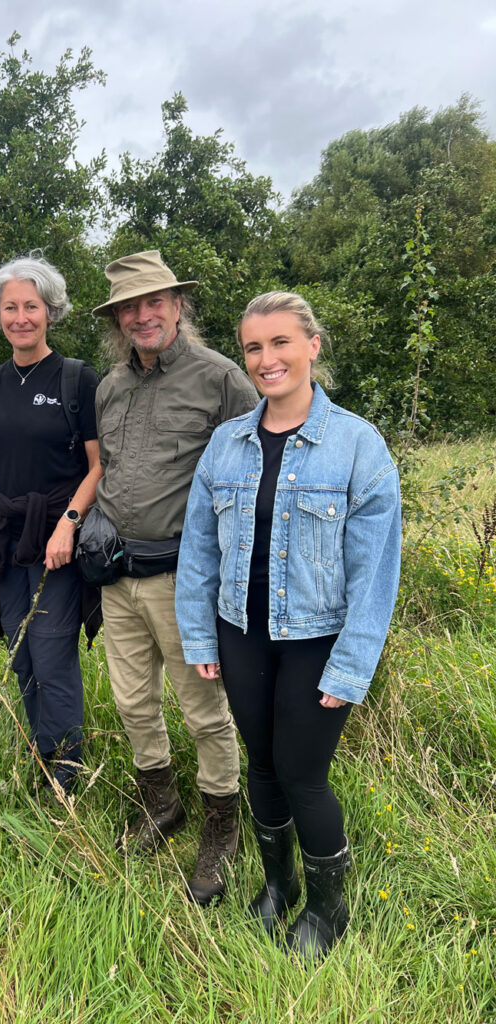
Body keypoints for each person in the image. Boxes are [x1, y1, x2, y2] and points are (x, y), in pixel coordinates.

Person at [176, 291, 402, 957]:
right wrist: (199, 633)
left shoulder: (358, 446)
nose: (267, 359)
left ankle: (328, 910)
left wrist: (353, 664)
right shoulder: (226, 445)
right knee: (263, 768)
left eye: (280, 343)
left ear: (312, 346)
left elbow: (375, 571)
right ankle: (279, 886)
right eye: (253, 347)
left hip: (318, 640)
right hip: (240, 634)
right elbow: (199, 549)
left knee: (303, 774)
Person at [91, 250, 257, 904]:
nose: (142, 315)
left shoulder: (221, 381)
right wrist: (94, 517)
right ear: (118, 321)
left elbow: (252, 477)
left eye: (152, 301)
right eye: (129, 307)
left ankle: (222, 821)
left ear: (177, 304)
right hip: (116, 577)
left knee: (203, 710)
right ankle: (161, 804)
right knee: (132, 702)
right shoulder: (109, 387)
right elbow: (104, 466)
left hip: (187, 582)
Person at [0, 255, 101, 797]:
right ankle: (41, 754)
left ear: (51, 310)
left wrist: (68, 524)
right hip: (4, 537)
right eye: (10, 307)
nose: (21, 317)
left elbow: (97, 466)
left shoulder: (76, 379)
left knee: (51, 651)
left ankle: (66, 772)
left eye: (31, 306)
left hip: (56, 542)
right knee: (20, 652)